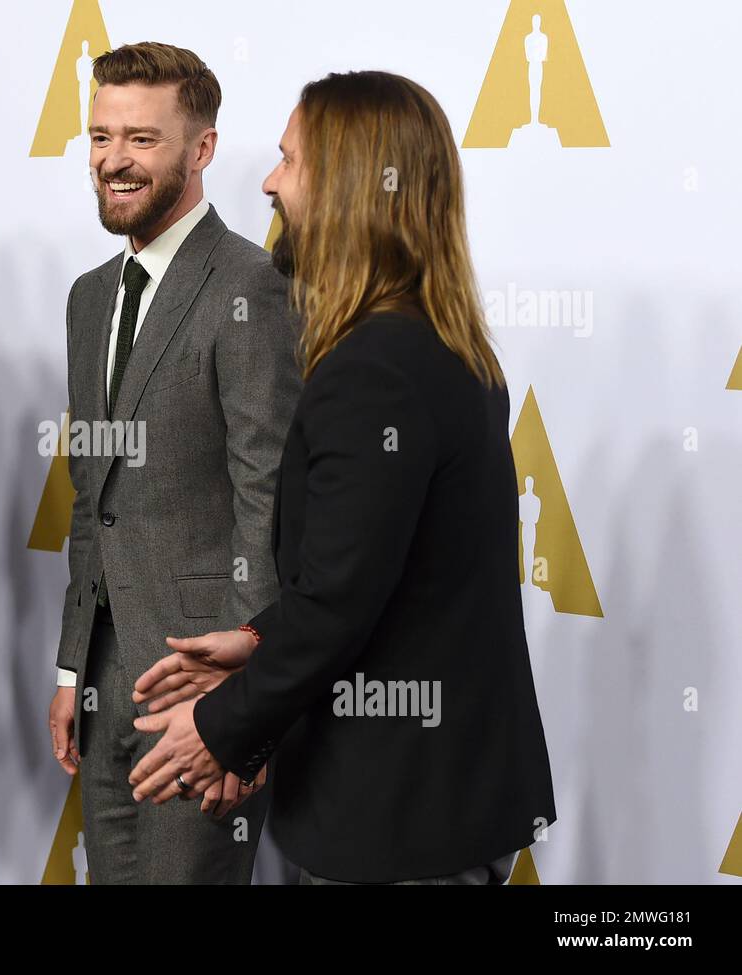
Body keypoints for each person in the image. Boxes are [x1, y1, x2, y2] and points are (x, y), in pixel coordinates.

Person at [130, 71, 557, 886]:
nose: (268, 181)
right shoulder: (435, 346)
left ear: (352, 185)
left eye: (289, 160)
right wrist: (256, 641)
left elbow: (337, 607)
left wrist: (220, 726)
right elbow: (370, 573)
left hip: (395, 820)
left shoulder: (377, 370)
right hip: (421, 801)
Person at [48, 42, 300, 883]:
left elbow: (264, 497)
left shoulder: (249, 283)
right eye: (99, 136)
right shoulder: (89, 296)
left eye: (142, 140)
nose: (113, 160)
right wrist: (69, 666)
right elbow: (96, 498)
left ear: (201, 151)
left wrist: (239, 706)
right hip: (103, 674)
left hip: (200, 673)